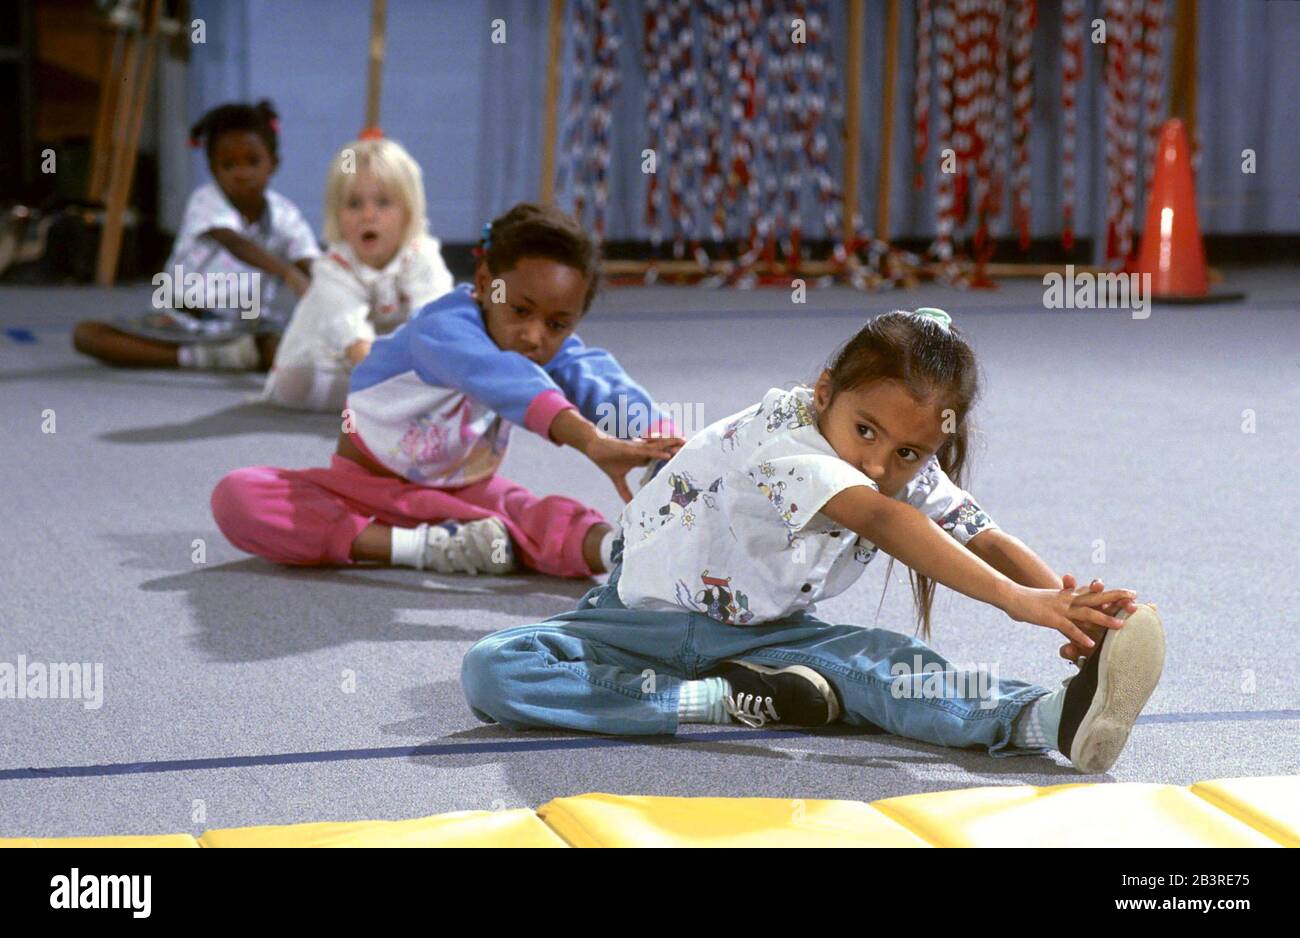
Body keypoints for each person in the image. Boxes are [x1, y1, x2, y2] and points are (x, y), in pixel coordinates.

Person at [462, 308, 1166, 774]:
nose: (879, 465)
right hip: (637, 622)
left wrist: (1070, 605)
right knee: (494, 668)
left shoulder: (899, 462)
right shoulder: (784, 439)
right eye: (866, 431)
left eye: (910, 453)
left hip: (768, 640)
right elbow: (886, 519)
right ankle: (710, 702)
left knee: (894, 667)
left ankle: (1048, 717)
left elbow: (981, 534)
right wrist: (1020, 603)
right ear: (825, 391)